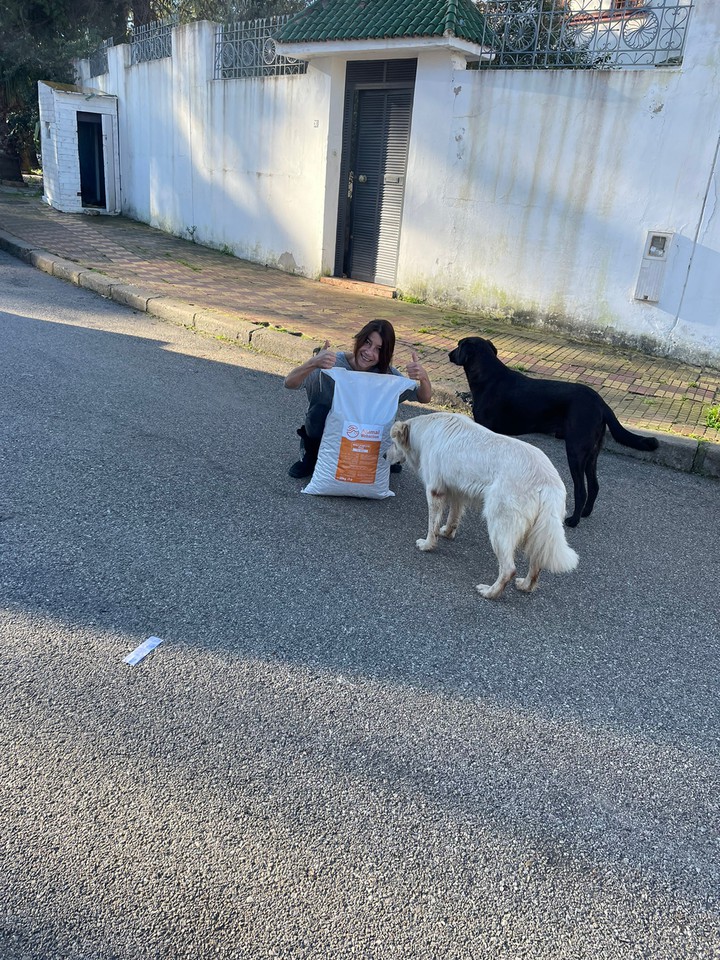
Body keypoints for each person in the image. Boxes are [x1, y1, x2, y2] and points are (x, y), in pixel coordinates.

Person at [283, 318, 432, 478]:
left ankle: (377, 460)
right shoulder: (332, 364)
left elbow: (423, 397)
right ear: (359, 339)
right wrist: (312, 363)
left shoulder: (386, 375)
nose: (369, 352)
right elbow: (290, 383)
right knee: (318, 413)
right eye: (367, 342)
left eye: (378, 349)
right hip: (329, 432)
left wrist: (423, 378)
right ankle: (311, 455)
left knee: (387, 420)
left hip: (362, 439)